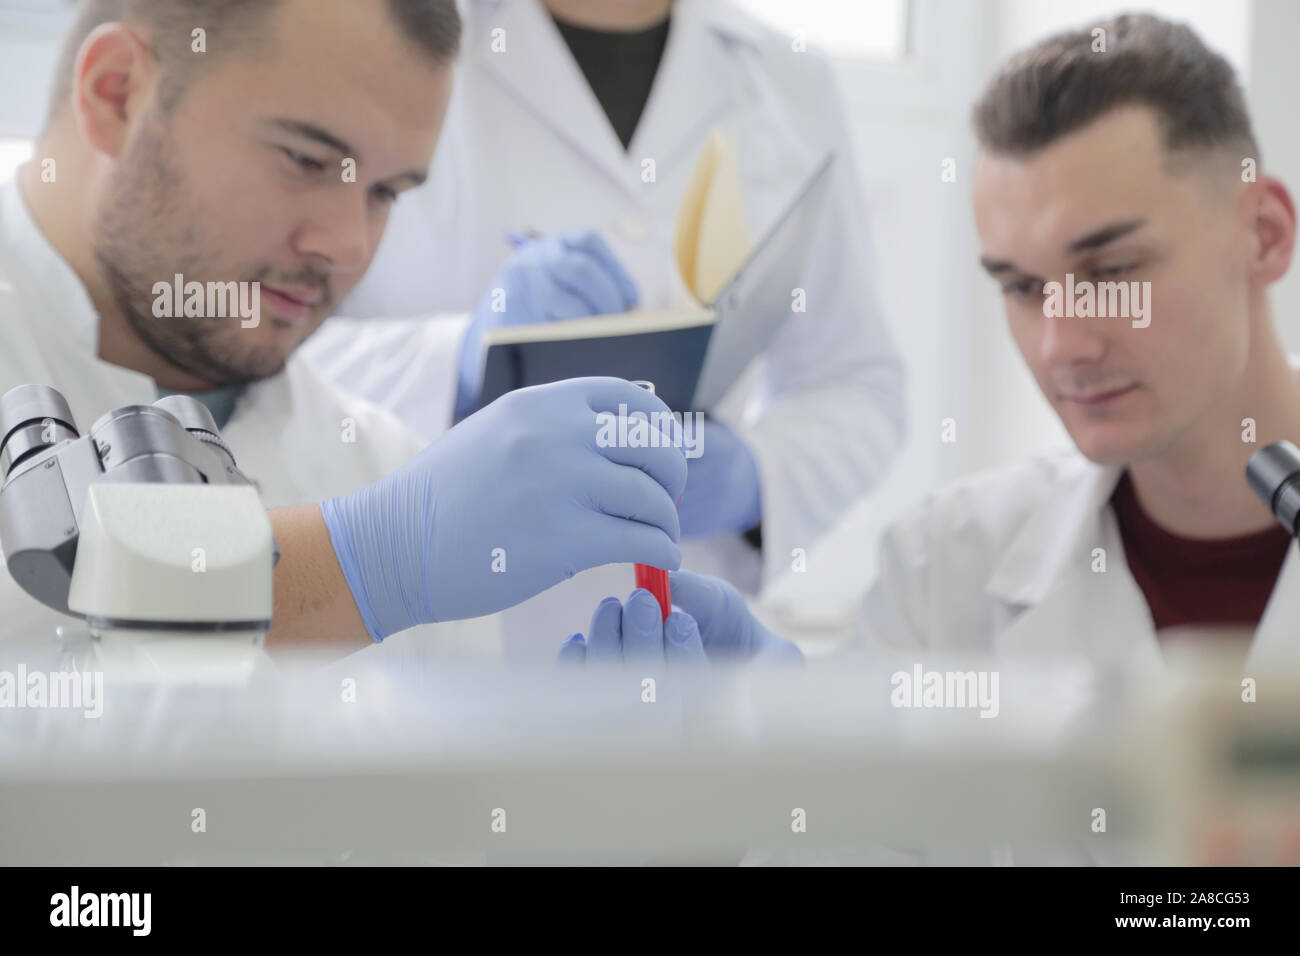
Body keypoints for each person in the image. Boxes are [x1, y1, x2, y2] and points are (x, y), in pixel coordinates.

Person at [575, 14, 1300, 673]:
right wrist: (756, 725)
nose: (1060, 345)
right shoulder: (945, 569)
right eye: (1022, 287)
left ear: (1263, 235)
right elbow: (851, 806)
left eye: (1111, 271)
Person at [0, 0, 684, 655]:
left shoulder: (379, 468)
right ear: (117, 93)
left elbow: (453, 773)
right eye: (304, 159)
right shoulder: (392, 542)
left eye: (384, 193)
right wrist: (349, 571)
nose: (348, 246)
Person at [302, 0, 906, 645]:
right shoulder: (390, 39)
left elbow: (859, 384)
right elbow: (272, 375)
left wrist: (758, 476)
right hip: (440, 649)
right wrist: (462, 358)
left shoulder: (788, 78)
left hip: (688, 639)